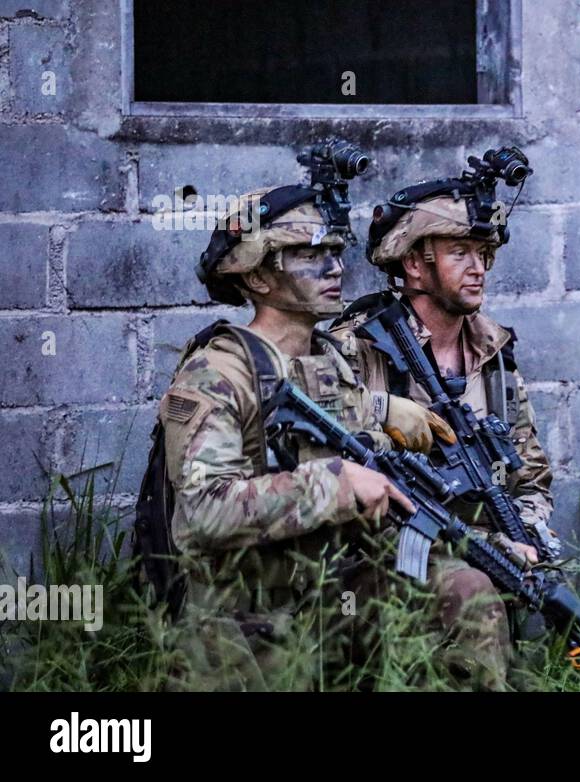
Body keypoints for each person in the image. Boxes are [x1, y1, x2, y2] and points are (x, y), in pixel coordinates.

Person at [159, 179, 446, 691]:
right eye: (312, 255)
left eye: (336, 253)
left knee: (462, 592)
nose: (336, 269)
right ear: (259, 277)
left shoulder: (327, 360)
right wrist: (334, 483)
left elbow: (352, 437)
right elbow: (204, 511)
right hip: (246, 627)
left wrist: (381, 413)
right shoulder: (217, 373)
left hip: (330, 601)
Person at [329, 164, 559, 687]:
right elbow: (326, 459)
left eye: (484, 255)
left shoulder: (495, 353)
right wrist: (478, 542)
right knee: (471, 591)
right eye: (460, 253)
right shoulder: (359, 348)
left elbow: (531, 474)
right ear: (413, 263)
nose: (478, 268)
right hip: (371, 558)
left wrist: (526, 532)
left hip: (478, 549)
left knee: (540, 600)